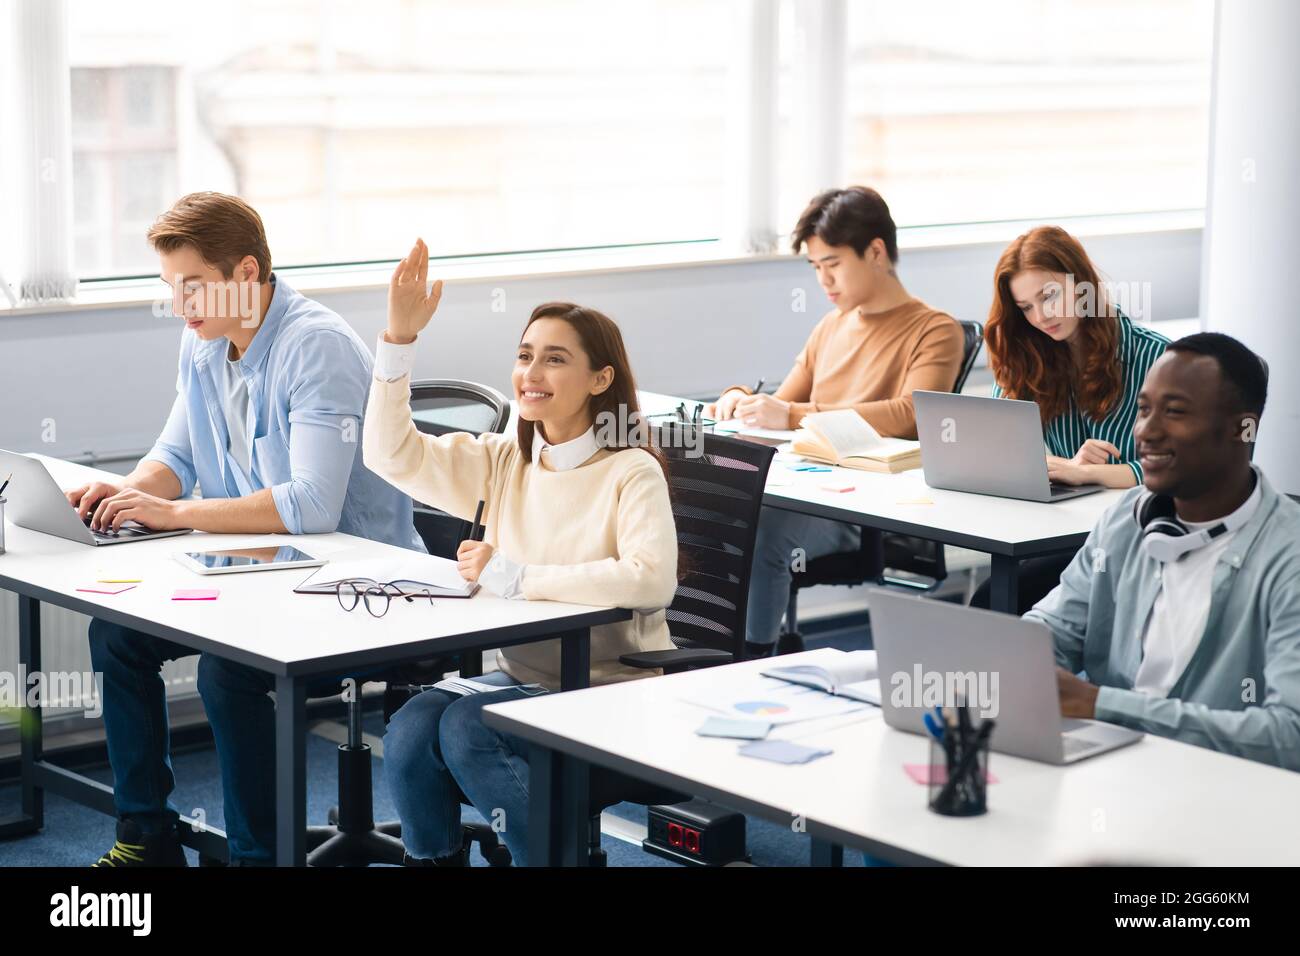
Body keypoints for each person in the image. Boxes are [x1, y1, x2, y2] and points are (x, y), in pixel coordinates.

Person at [70, 193, 424, 867]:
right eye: (173, 289)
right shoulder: (203, 343)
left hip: (358, 588)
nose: (181, 306)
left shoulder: (314, 346)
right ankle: (146, 837)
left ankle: (259, 858)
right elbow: (174, 458)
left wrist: (173, 515)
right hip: (260, 574)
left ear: (246, 274)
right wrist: (123, 493)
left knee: (229, 672)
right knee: (115, 635)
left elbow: (312, 506)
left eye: (193, 287)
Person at [366, 238, 679, 866]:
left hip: (609, 687)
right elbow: (388, 454)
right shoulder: (507, 459)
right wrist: (398, 339)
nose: (531, 374)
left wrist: (519, 576)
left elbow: (650, 582)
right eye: (524, 355)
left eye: (554, 359)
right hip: (523, 679)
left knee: (465, 729)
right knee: (407, 731)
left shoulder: (630, 470)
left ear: (600, 379)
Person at [708, 186, 964, 656]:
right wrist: (740, 398)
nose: (824, 282)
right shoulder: (830, 325)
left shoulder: (935, 329)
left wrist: (791, 414)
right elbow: (780, 406)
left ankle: (749, 662)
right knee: (707, 509)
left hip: (861, 506)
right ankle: (696, 650)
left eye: (834, 265)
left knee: (763, 530)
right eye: (816, 269)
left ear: (876, 252)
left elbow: (912, 415)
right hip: (802, 487)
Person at [1027, 333, 1300, 770]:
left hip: (1225, 792)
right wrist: (1014, 660)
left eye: (1174, 412)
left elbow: (1290, 737)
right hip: (1109, 769)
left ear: (1241, 428)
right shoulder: (1125, 520)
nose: (1146, 432)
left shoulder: (1288, 556)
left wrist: (1102, 705)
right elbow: (1054, 628)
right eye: (1144, 409)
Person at [974, 225, 1169, 612]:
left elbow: (1179, 469)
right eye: (1026, 307)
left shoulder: (1157, 359)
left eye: (1050, 296)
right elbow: (1004, 453)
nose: (1042, 316)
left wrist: (1089, 474)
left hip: (1138, 537)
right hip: (1062, 535)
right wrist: (1068, 466)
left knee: (996, 602)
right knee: (995, 599)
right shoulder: (1028, 359)